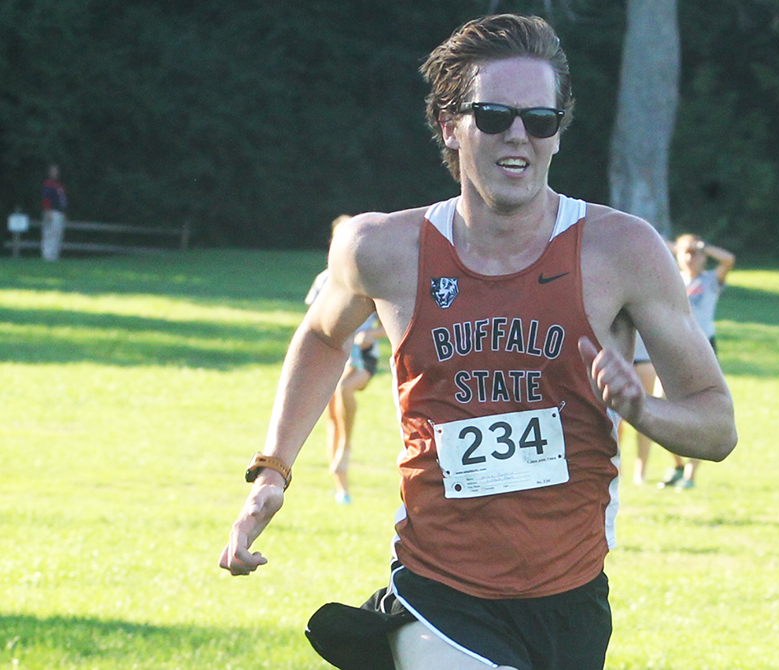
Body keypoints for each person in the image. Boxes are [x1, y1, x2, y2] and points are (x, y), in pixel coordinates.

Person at [219, 14, 737, 670]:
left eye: (539, 119)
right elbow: (323, 336)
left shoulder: (622, 250)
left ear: (556, 133)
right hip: (436, 589)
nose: (517, 135)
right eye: (493, 116)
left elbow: (717, 428)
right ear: (450, 126)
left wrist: (643, 411)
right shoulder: (382, 248)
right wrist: (274, 469)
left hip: (567, 602)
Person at [658, 233, 736, 490]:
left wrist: (705, 246)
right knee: (658, 404)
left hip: (703, 349)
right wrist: (675, 247)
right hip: (673, 348)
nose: (691, 257)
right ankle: (678, 465)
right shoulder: (670, 279)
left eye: (696, 253)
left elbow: (728, 260)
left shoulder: (710, 281)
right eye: (686, 253)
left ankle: (690, 474)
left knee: (699, 409)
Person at [305, 265, 386, 504]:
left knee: (344, 389)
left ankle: (346, 446)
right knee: (332, 417)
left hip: (362, 355)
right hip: (334, 353)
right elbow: (312, 321)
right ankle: (342, 488)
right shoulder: (324, 279)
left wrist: (370, 336)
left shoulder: (368, 279)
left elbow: (391, 323)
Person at [620, 333, 658, 485]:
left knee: (644, 418)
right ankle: (617, 468)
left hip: (645, 358)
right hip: (617, 358)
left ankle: (641, 472)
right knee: (614, 419)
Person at [41, 164, 67, 261]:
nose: (55, 173)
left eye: (56, 171)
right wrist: (47, 211)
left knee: (58, 235)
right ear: (49, 173)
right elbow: (46, 198)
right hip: (52, 212)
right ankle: (47, 257)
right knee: (50, 234)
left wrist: (64, 212)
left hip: (59, 213)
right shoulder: (48, 184)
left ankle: (54, 256)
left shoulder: (59, 185)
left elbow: (62, 200)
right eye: (53, 171)